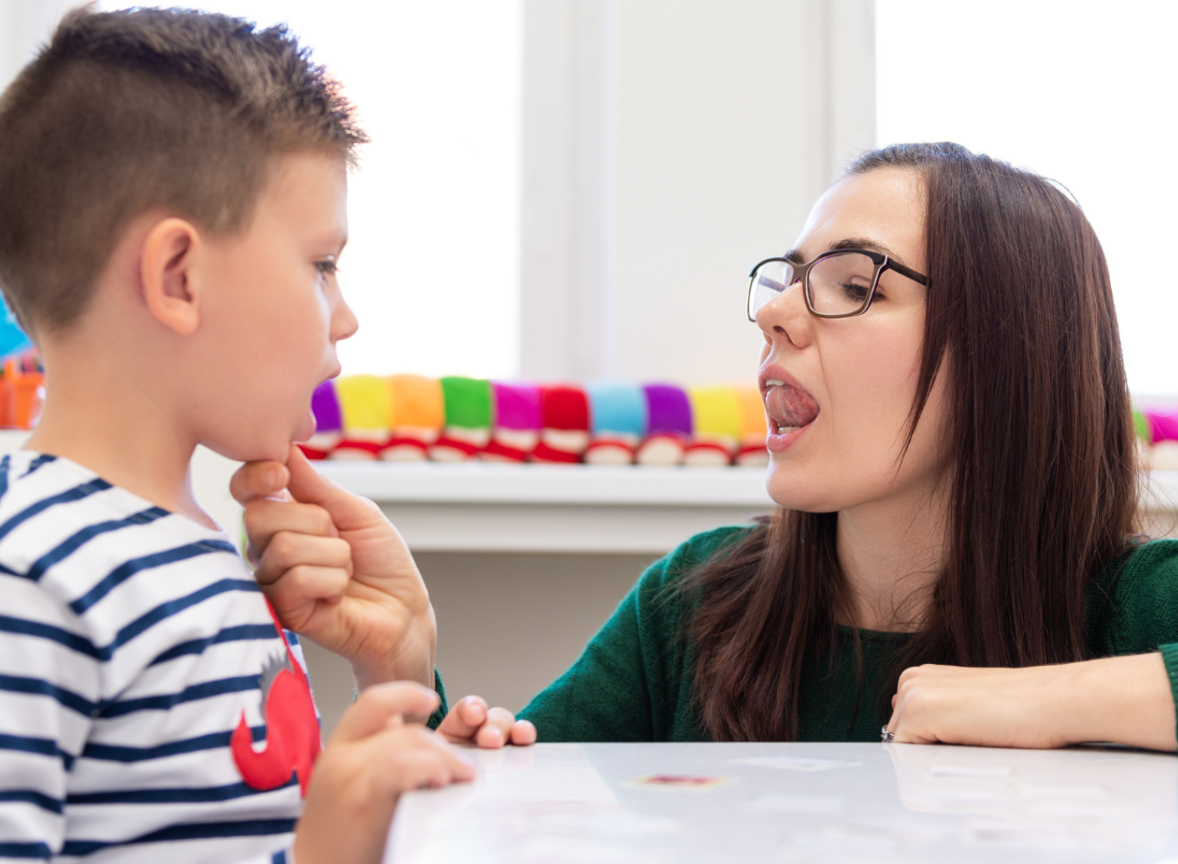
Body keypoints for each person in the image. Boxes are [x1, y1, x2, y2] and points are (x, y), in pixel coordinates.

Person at [250, 141, 1178, 752]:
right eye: (786, 279)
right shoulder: (694, 603)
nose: (773, 313)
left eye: (854, 285)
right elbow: (512, 816)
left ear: (1007, 354)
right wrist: (405, 666)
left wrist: (1041, 703)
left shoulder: (1137, 602)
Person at [0, 8, 526, 864]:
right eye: (321, 264)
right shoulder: (12, 577)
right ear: (179, 277)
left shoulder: (199, 558)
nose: (346, 316)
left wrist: (395, 723)